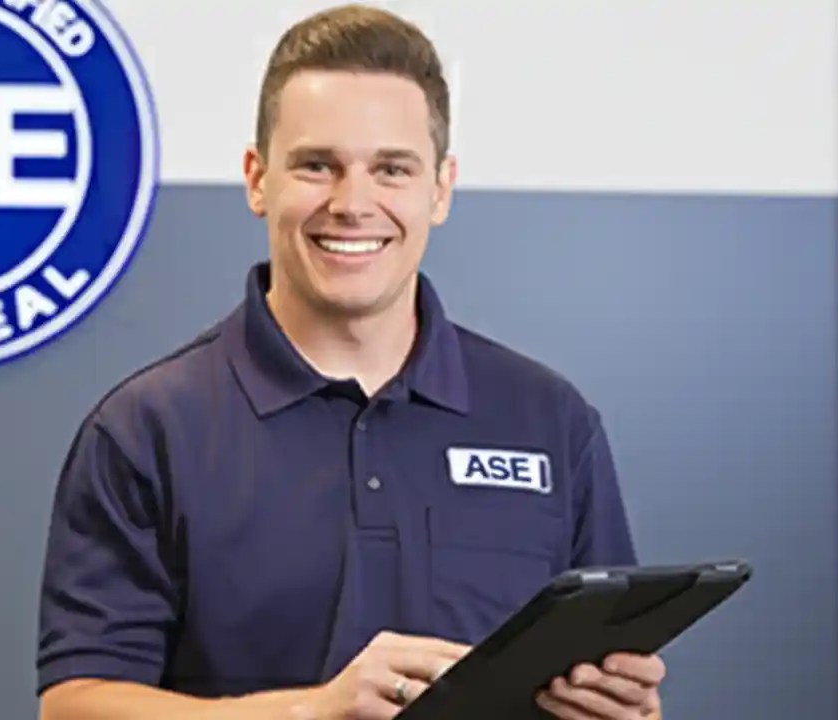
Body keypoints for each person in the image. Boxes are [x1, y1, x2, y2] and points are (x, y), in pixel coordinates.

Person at [34, 5, 666, 719]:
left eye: (392, 169)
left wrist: (622, 711)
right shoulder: (147, 431)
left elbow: (608, 676)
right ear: (256, 178)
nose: (352, 202)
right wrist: (312, 712)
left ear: (441, 188)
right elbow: (74, 707)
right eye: (316, 165)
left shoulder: (550, 420)